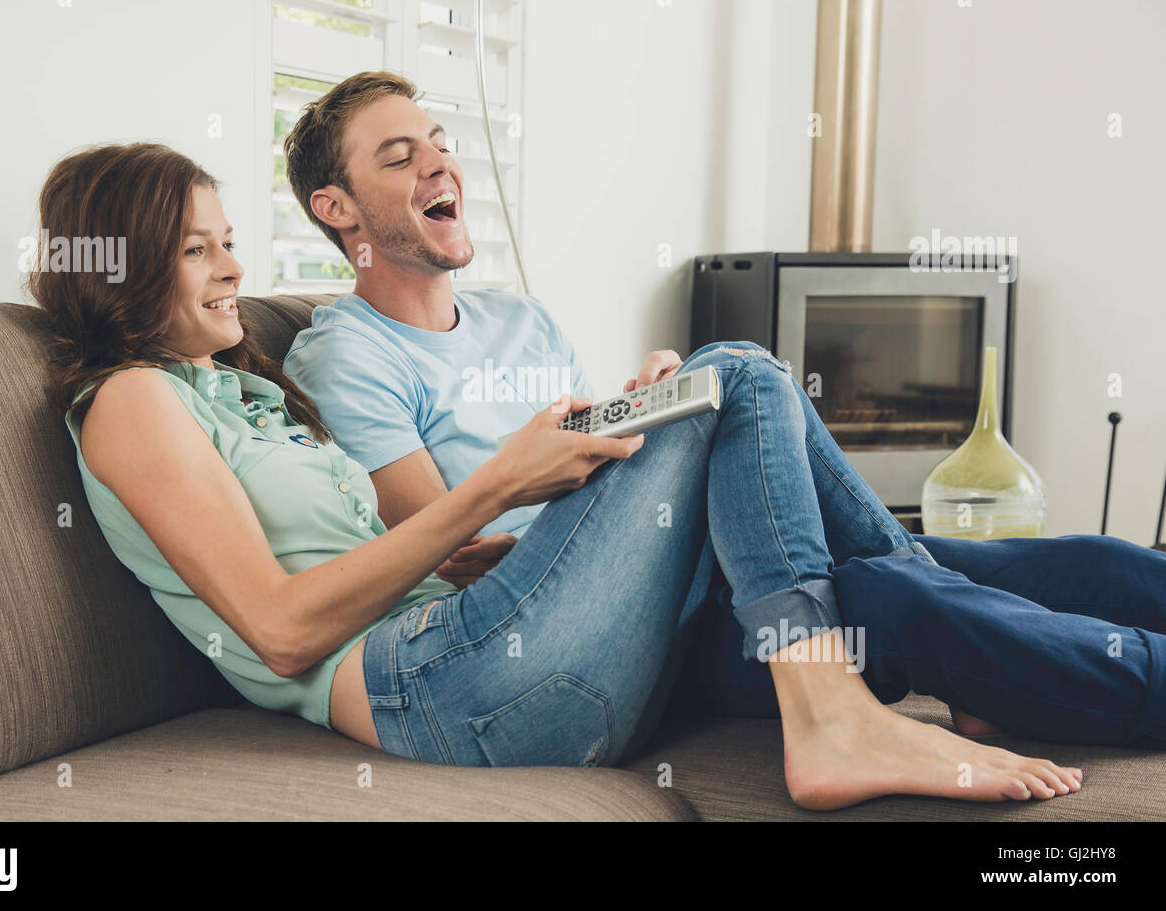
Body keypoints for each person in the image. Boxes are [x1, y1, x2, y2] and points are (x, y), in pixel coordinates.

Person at [33, 140, 1166, 815]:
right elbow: (280, 631)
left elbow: (353, 562)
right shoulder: (132, 399)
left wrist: (513, 519)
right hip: (443, 694)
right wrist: (499, 486)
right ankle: (831, 713)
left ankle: (903, 665)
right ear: (119, 264)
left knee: (886, 597)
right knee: (735, 373)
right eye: (196, 247)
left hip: (480, 629)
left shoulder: (247, 386)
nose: (233, 265)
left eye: (228, 238)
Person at [278, 69, 1166, 748]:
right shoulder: (343, 353)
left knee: (1046, 562)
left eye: (438, 141)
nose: (439, 162)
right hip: (568, 626)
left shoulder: (521, 318)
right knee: (761, 403)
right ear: (337, 208)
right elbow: (446, 551)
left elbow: (580, 463)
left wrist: (644, 421)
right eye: (399, 156)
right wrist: (629, 484)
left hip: (667, 571)